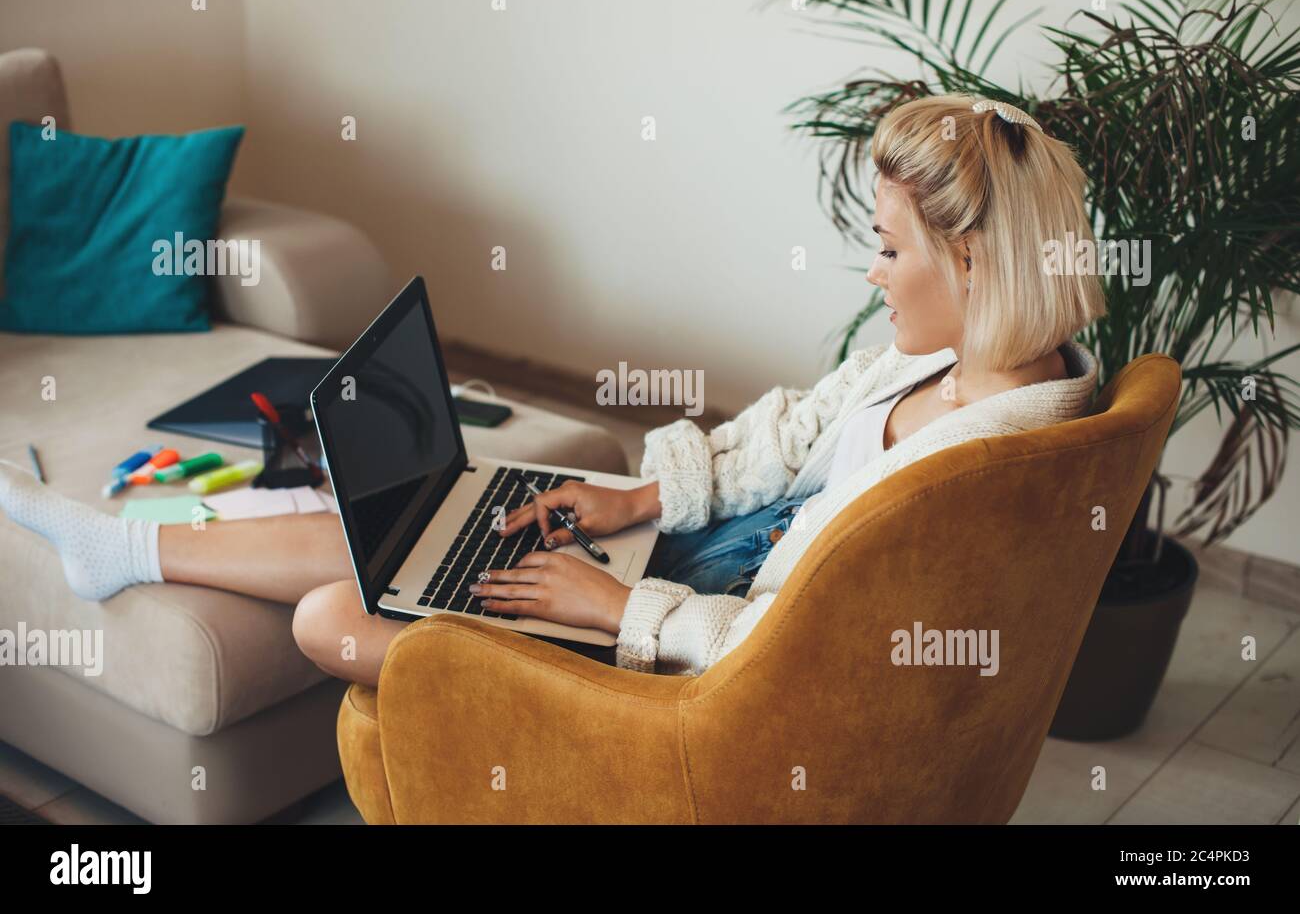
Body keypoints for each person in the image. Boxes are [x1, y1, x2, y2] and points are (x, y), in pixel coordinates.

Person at [0, 95, 1104, 684]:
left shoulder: (980, 473)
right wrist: (637, 499)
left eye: (886, 248)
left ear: (972, 266)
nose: (869, 272)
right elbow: (798, 429)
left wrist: (623, 607)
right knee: (436, 514)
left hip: (695, 641)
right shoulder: (948, 362)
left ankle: (126, 548)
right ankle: (129, 546)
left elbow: (829, 663)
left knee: (335, 616)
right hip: (712, 565)